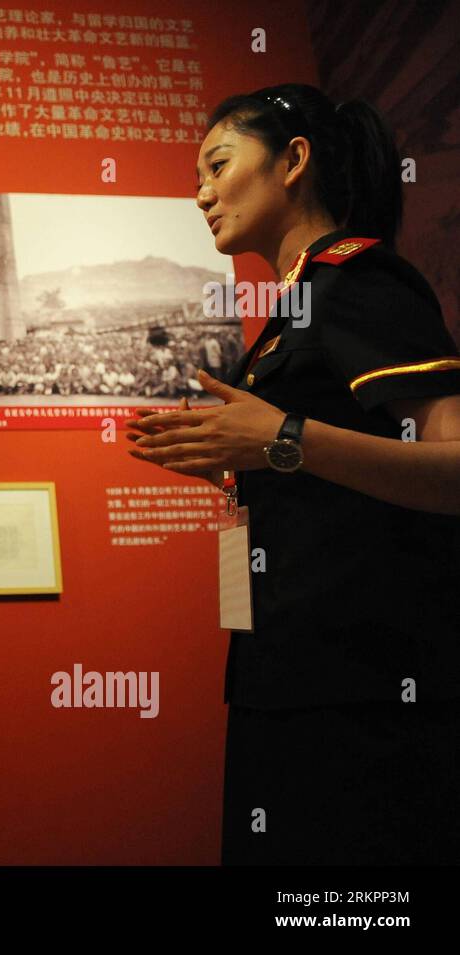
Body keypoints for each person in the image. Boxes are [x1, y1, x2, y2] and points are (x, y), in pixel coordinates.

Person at [127, 83, 460, 864]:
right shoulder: (297, 305)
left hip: (367, 690)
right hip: (293, 671)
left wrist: (280, 437)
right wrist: (238, 458)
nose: (200, 192)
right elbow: (322, 468)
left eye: (216, 164)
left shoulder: (357, 278)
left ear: (293, 161)